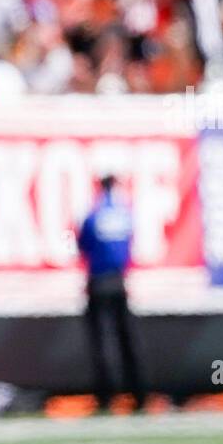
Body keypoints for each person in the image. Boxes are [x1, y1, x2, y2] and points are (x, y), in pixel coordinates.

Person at [76, 173, 147, 411]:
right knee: (128, 340)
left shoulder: (94, 214)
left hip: (98, 282)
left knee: (102, 341)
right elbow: (128, 245)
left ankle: (106, 398)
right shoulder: (124, 213)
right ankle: (139, 395)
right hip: (120, 281)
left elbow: (83, 245)